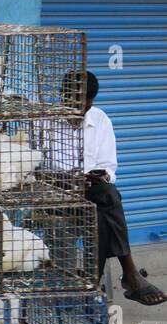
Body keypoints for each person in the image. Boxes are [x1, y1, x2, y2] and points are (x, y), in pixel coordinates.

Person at [63, 71, 165, 306]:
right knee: (103, 213)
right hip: (58, 194)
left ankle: (92, 285)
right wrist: (67, 179)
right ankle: (127, 275)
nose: (79, 109)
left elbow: (109, 167)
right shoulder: (45, 121)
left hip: (91, 192)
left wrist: (96, 177)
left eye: (85, 104)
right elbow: (37, 167)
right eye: (73, 101)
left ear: (91, 101)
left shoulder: (100, 120)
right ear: (63, 97)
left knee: (107, 194)